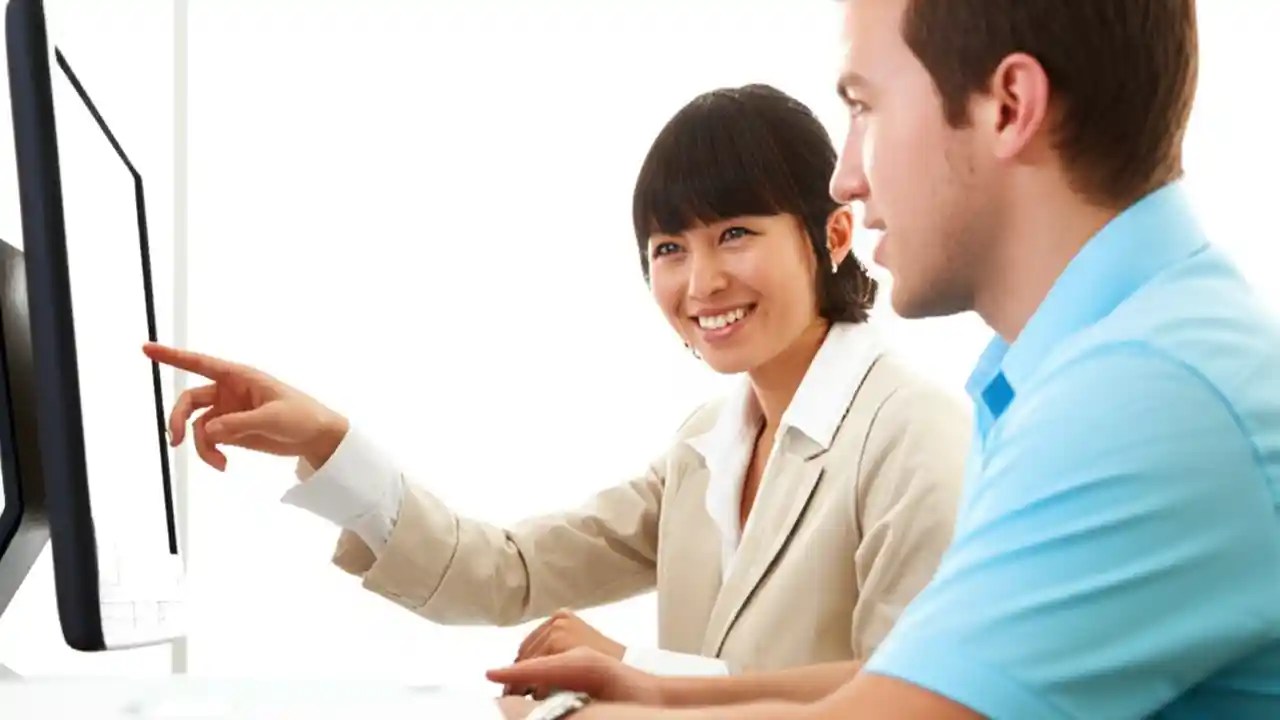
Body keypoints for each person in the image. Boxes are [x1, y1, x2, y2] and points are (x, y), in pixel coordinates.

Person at [485, 0, 1280, 718]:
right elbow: (907, 680)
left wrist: (563, 715)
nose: (846, 176)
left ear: (1009, 107)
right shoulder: (1106, 365)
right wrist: (656, 689)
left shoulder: (1143, 402)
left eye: (866, 108)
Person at [145, 84, 969, 681]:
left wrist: (631, 673)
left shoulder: (913, 435)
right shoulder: (706, 445)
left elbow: (912, 701)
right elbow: (507, 571)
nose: (702, 281)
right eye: (669, 248)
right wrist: (331, 444)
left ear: (832, 235)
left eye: (736, 233)